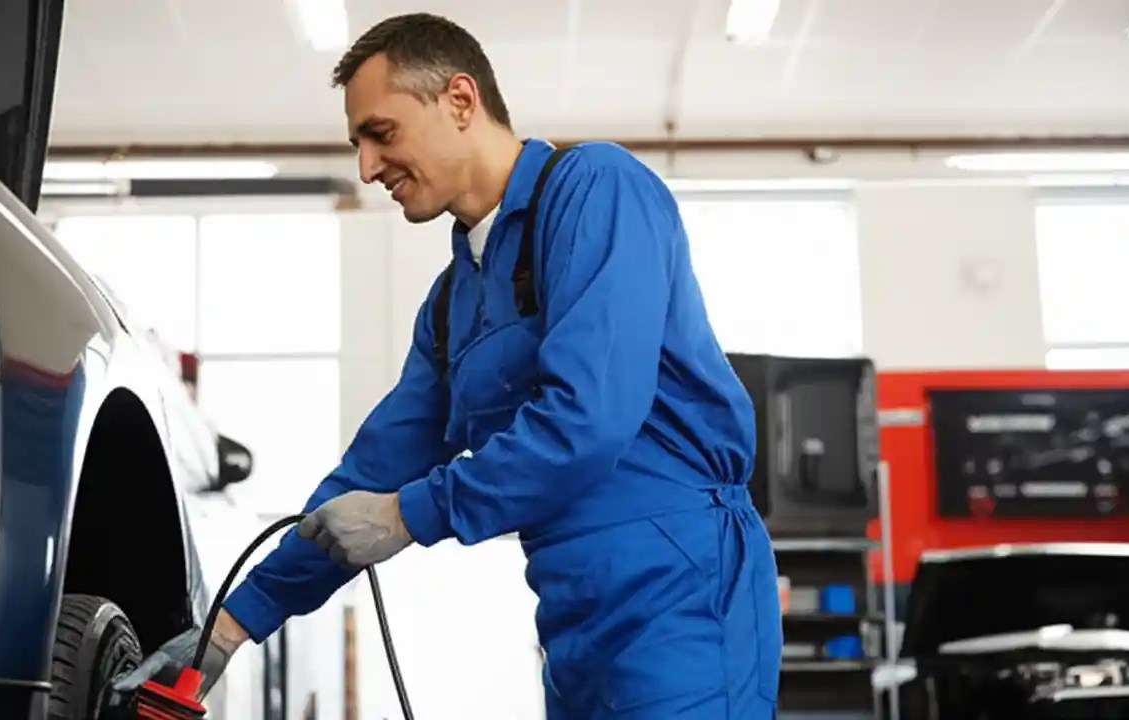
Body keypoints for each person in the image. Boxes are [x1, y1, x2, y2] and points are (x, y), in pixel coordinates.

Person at [117, 12, 781, 719]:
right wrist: (227, 628)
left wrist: (411, 514)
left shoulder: (595, 190)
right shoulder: (451, 305)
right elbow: (369, 477)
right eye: (358, 144)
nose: (367, 168)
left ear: (460, 101)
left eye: (381, 133)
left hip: (683, 596)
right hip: (571, 623)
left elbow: (589, 420)